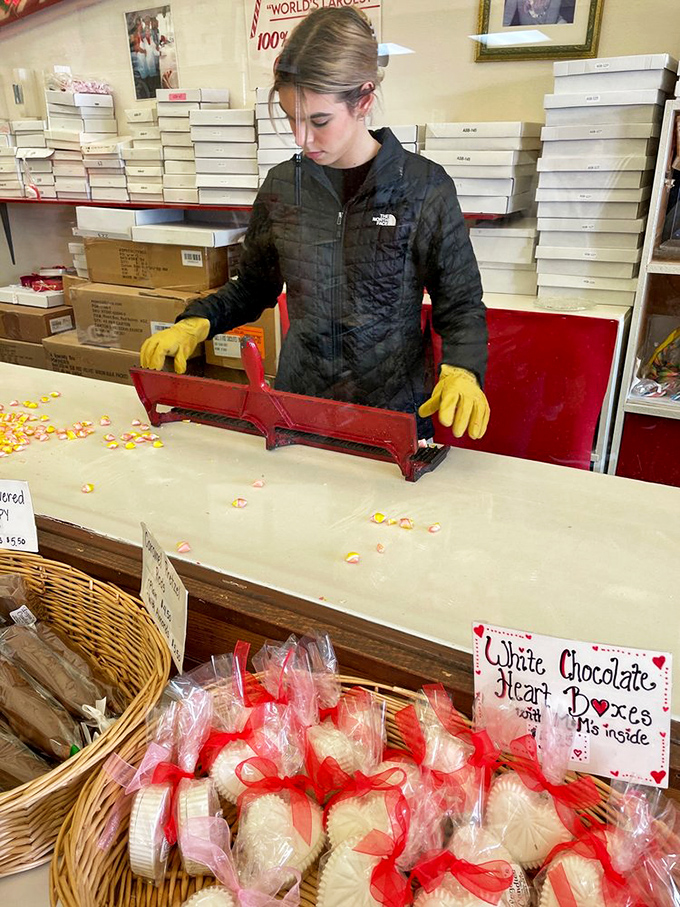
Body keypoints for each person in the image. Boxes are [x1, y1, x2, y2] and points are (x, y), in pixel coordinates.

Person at [141, 7, 490, 440]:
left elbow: (459, 305)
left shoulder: (423, 188)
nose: (301, 138)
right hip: (299, 407)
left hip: (392, 414)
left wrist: (463, 369)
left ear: (363, 100)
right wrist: (197, 321)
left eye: (318, 120)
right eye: (291, 117)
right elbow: (254, 286)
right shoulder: (284, 185)